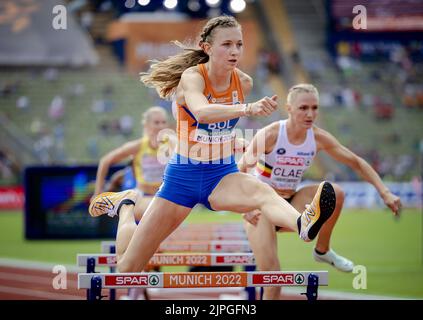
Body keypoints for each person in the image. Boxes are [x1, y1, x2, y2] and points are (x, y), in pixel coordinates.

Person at [88, 15, 337, 276]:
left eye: (239, 44)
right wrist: (247, 108)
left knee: (262, 193)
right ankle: (127, 205)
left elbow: (211, 131)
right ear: (207, 48)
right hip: (182, 178)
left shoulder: (244, 82)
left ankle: (303, 224)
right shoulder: (192, 78)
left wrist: (230, 142)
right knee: (128, 269)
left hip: (221, 175)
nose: (235, 51)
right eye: (227, 44)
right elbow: (203, 113)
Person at [238, 83, 402, 299]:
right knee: (273, 281)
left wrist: (385, 192)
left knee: (337, 193)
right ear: (289, 108)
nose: (310, 114)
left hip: (290, 202)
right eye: (303, 108)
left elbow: (356, 162)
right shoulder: (270, 135)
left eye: (315, 108)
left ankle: (322, 250)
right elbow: (240, 170)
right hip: (262, 208)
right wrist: (245, 208)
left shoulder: (317, 137)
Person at [91, 106, 173, 260]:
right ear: (147, 125)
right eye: (156, 122)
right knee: (139, 246)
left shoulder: (171, 147)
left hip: (161, 197)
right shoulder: (138, 146)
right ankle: (133, 273)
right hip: (141, 198)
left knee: (155, 250)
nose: (161, 126)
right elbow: (105, 161)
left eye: (163, 122)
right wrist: (98, 192)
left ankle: (150, 277)